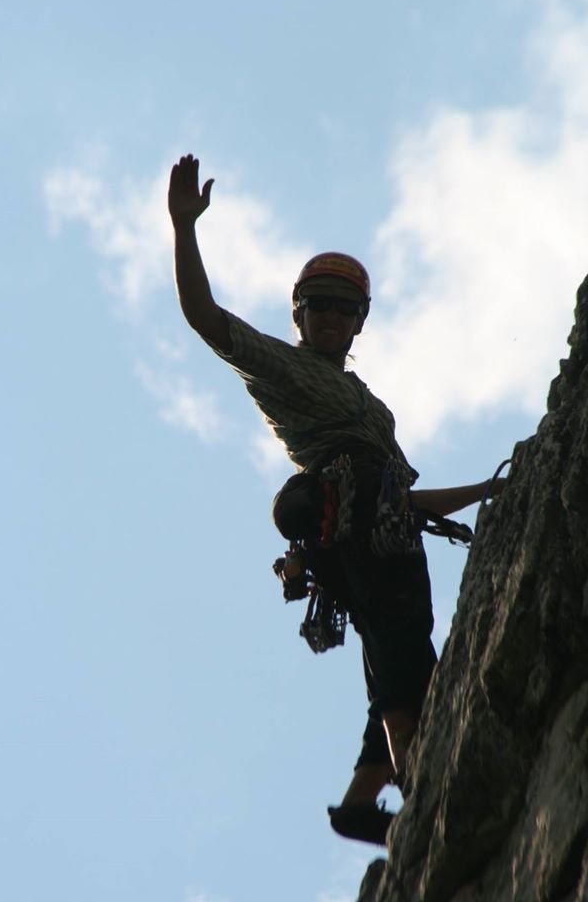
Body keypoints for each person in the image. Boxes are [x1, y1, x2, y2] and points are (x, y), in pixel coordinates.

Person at [168, 153, 502, 845]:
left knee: (402, 656)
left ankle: (360, 803)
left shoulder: (370, 408)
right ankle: (426, 794)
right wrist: (184, 230)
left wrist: (492, 490)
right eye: (317, 304)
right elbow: (204, 317)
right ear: (298, 311)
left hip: (384, 529)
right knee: (408, 663)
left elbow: (404, 499)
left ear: (360, 323)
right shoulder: (281, 368)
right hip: (354, 529)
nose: (328, 315)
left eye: (343, 308)